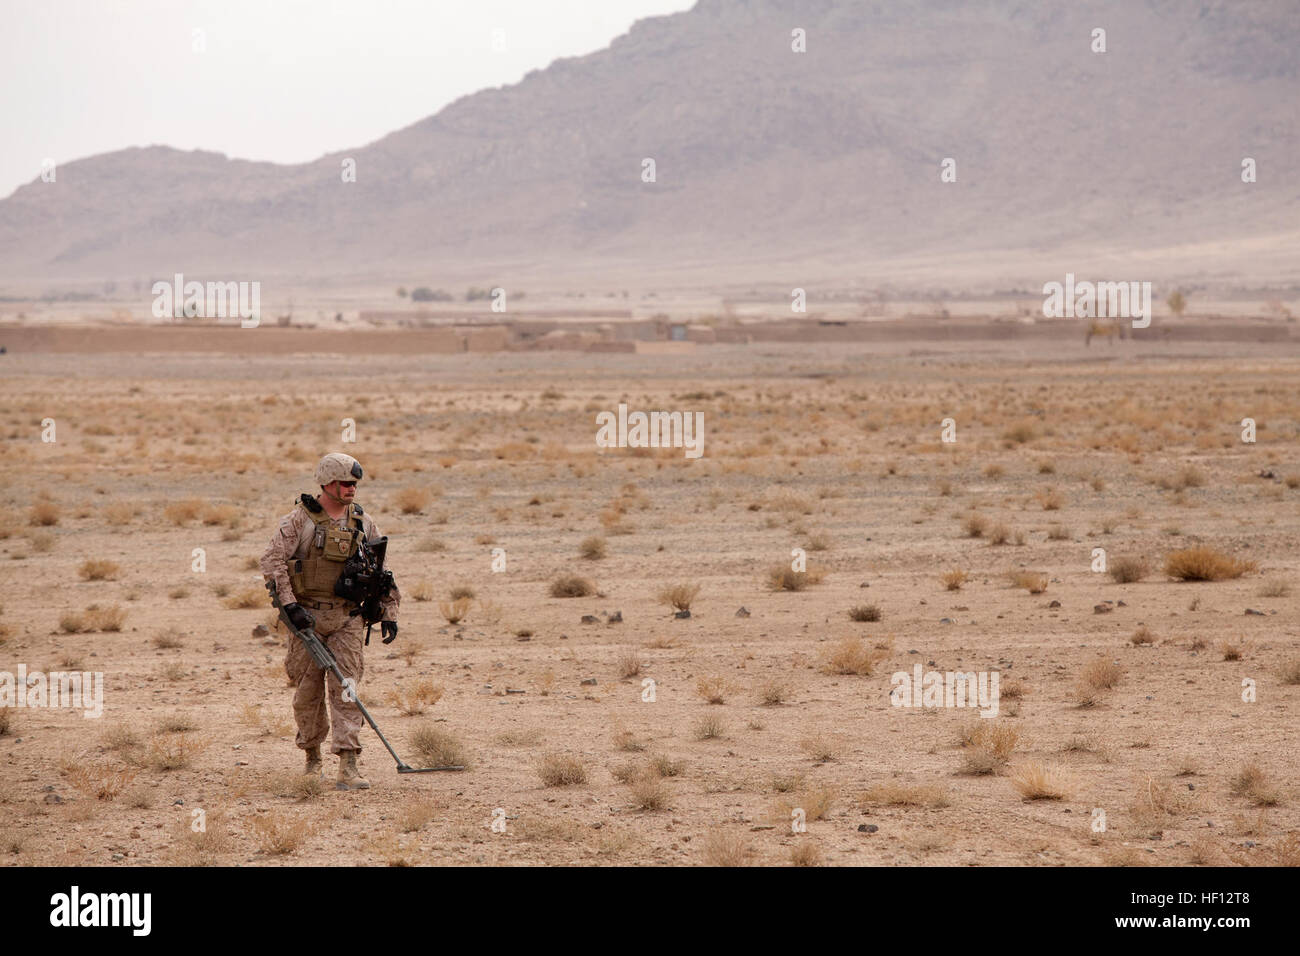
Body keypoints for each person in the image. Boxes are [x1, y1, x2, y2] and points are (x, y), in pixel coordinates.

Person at [259, 452, 400, 790]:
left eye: (354, 484)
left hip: (346, 618)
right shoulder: (299, 521)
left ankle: (348, 763)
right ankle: (312, 757)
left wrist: (388, 612)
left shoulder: (363, 523)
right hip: (306, 618)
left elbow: (381, 572)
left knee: (347, 688)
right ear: (327, 483)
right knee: (307, 693)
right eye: (345, 484)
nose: (351, 489)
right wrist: (291, 608)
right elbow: (273, 562)